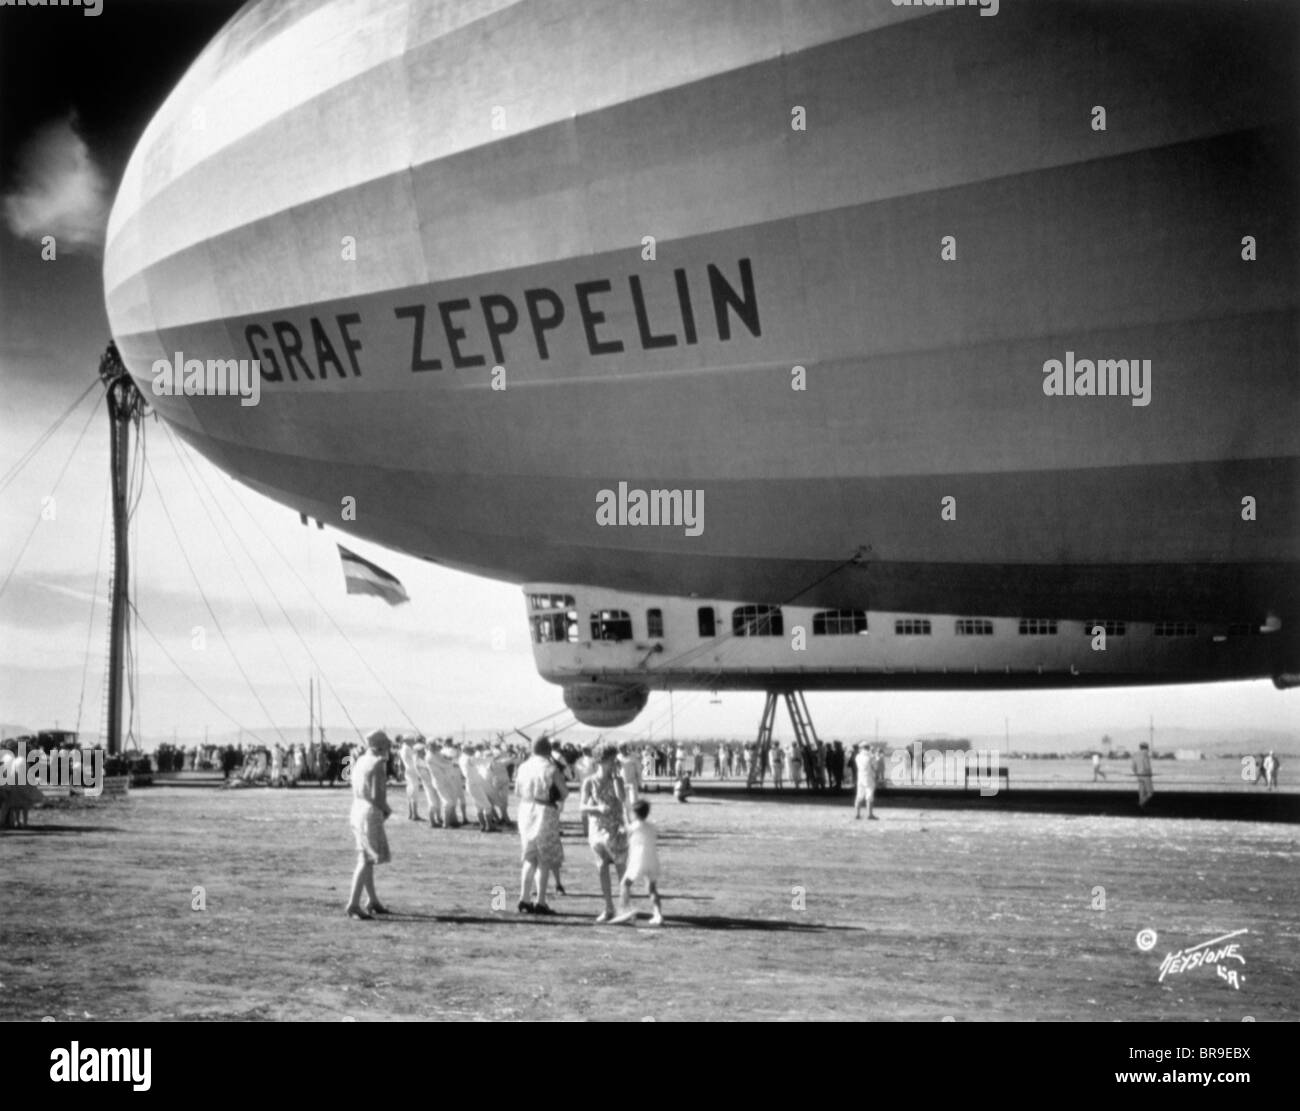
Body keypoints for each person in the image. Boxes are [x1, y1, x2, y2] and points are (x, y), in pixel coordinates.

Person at [345, 730, 393, 920]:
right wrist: (386, 809)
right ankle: (353, 903)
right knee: (365, 860)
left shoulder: (360, 761)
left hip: (356, 809)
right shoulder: (378, 763)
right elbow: (376, 795)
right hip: (370, 811)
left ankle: (372, 900)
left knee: (366, 858)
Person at [515, 737, 565, 915]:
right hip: (544, 810)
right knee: (544, 858)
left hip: (525, 808)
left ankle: (524, 899)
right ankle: (541, 901)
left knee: (529, 856)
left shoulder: (523, 766)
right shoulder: (551, 768)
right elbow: (564, 792)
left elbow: (517, 791)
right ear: (548, 750)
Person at [580, 745, 627, 923]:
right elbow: (582, 807)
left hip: (615, 828)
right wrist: (597, 807)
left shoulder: (617, 780)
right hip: (598, 828)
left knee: (621, 867)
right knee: (602, 867)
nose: (614, 763)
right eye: (611, 760)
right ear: (601, 760)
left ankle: (624, 906)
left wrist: (616, 778)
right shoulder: (589, 782)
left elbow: (622, 798)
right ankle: (608, 907)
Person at [612, 799, 664, 926]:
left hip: (639, 860)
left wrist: (622, 820)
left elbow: (625, 831)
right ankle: (658, 914)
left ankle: (624, 910)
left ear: (635, 813)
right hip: (652, 859)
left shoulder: (635, 826)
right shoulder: (651, 826)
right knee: (652, 889)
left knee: (625, 883)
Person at [398, 736, 422, 820]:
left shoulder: (402, 749)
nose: (414, 741)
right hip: (412, 771)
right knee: (414, 793)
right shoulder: (408, 749)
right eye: (412, 740)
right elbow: (415, 757)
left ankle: (411, 814)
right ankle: (415, 814)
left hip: (408, 771)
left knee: (410, 793)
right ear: (407, 741)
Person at [854, 743, 879, 820]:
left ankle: (857, 814)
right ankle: (870, 814)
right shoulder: (871, 757)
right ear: (868, 748)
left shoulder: (857, 757)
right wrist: (876, 756)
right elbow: (875, 767)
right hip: (869, 778)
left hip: (860, 777)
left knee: (859, 795)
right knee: (869, 796)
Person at [619, 742, 642, 821]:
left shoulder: (633, 757)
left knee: (634, 802)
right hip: (622, 783)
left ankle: (635, 819)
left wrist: (640, 782)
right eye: (620, 748)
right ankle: (627, 820)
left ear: (626, 748)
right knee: (624, 804)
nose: (621, 750)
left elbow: (638, 770)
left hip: (632, 783)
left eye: (623, 748)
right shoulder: (618, 758)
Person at [1132, 742, 1154, 809]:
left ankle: (1141, 807)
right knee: (1150, 793)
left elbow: (1133, 767)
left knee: (1141, 793)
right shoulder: (1145, 754)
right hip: (1146, 775)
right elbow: (1147, 766)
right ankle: (1140, 804)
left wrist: (1137, 773)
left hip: (1139, 775)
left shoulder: (1135, 755)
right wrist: (1150, 774)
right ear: (1146, 747)